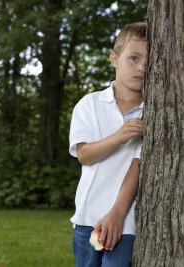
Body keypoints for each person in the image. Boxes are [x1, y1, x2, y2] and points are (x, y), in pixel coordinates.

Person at [69, 22, 147, 267]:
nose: (142, 67)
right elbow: (84, 155)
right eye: (133, 58)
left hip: (124, 222)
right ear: (114, 58)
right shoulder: (90, 104)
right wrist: (119, 136)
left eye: (149, 60)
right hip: (86, 216)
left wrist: (117, 214)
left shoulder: (152, 112)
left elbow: (137, 165)